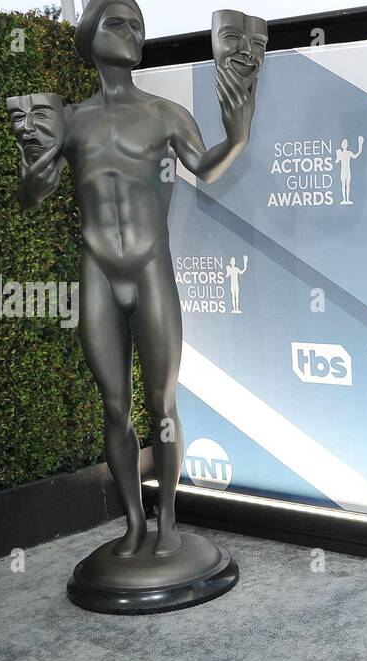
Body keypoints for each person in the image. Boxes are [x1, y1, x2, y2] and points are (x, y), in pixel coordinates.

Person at [13, 0, 259, 558]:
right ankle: (132, 521)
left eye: (138, 25)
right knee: (115, 406)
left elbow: (205, 165)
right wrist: (33, 172)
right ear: (90, 35)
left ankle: (168, 517)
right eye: (118, 23)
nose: (132, 33)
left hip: (150, 271)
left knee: (162, 400)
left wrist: (238, 135)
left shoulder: (164, 114)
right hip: (97, 272)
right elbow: (31, 197)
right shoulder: (71, 119)